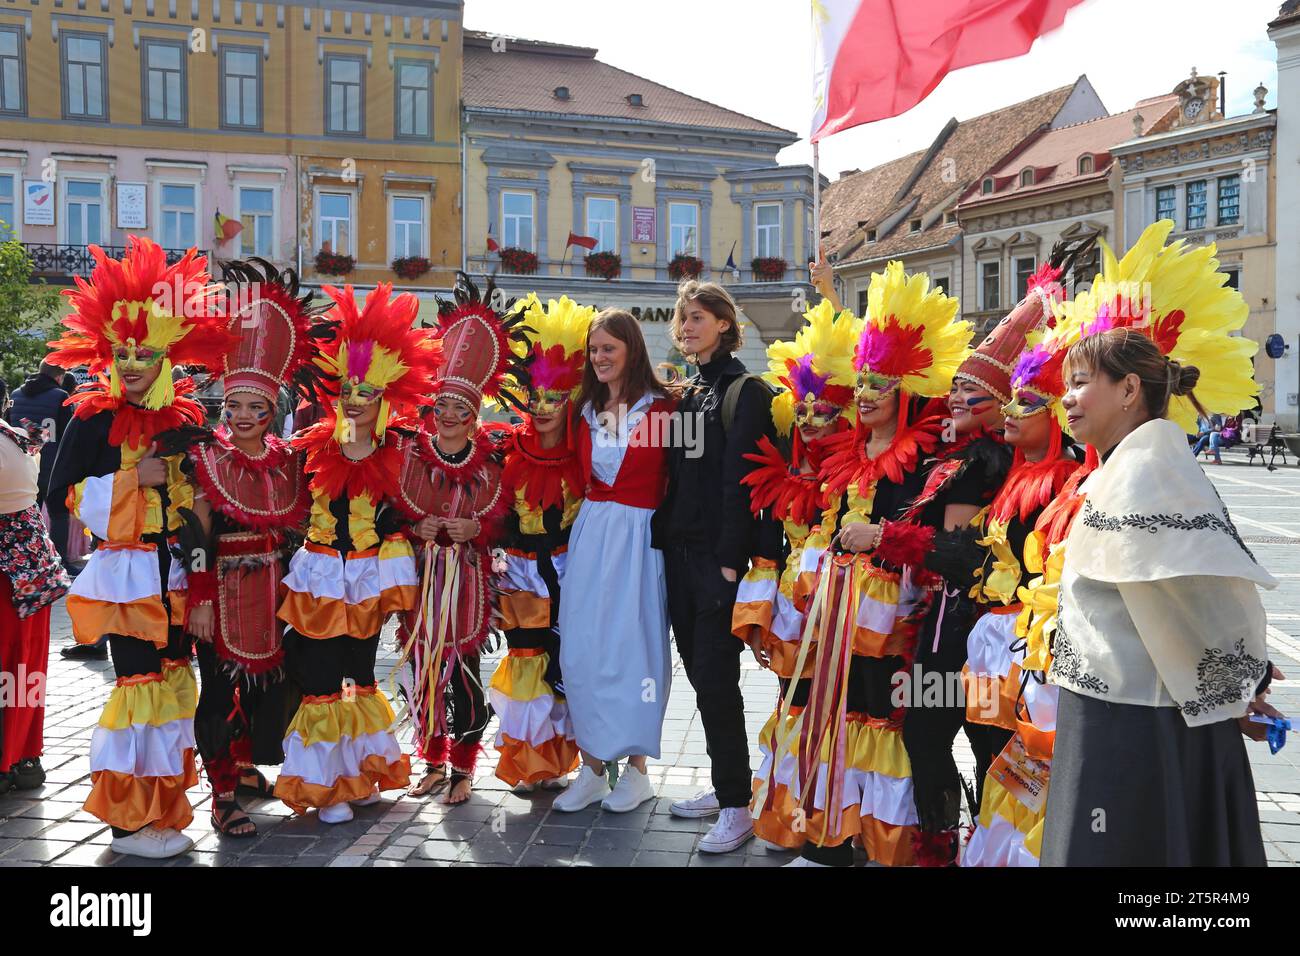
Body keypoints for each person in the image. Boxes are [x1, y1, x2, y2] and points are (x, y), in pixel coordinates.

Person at [1043, 219, 1280, 865]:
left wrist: (1239, 685)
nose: (1066, 400)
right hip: (1123, 703)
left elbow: (1195, 593)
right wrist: (1238, 683)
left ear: (1128, 389)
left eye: (1082, 382)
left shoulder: (1146, 470)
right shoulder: (1132, 463)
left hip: (1138, 719)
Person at [761, 261, 970, 867]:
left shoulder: (928, 455)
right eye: (863, 381)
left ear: (906, 392)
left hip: (892, 627)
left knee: (885, 724)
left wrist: (882, 537)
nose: (868, 392)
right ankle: (829, 837)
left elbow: (933, 539)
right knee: (822, 715)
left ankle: (892, 843)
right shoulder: (842, 451)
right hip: (833, 619)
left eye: (882, 383)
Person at [45, 237, 231, 859]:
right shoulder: (91, 419)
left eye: (143, 354)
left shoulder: (186, 419)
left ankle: (158, 811)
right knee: (138, 686)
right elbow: (61, 494)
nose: (129, 365)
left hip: (174, 574)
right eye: (120, 353)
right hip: (125, 574)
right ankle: (126, 824)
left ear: (167, 358)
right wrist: (130, 482)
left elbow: (201, 516)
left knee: (172, 691)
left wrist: (201, 585)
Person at [274, 283, 441, 824]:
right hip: (320, 578)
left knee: (354, 680)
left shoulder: (401, 451)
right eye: (347, 386)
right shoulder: (313, 444)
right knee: (322, 680)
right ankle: (324, 787)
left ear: (387, 395)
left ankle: (355, 773)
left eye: (366, 390)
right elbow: (284, 503)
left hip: (367, 581)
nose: (354, 397)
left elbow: (415, 511)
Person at [168, 259, 319, 837]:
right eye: (236, 408)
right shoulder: (207, 456)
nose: (247, 417)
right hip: (222, 590)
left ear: (273, 409)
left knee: (266, 687)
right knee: (218, 689)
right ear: (223, 407)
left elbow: (301, 525)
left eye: (258, 408)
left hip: (274, 589)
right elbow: (194, 533)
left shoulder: (287, 459)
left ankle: (249, 768)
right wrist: (201, 597)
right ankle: (221, 793)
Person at [732, 296, 858, 853]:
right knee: (792, 711)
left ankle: (831, 837)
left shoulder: (861, 478)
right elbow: (768, 552)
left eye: (823, 412)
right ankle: (788, 819)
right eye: (802, 410)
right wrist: (758, 621)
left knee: (836, 720)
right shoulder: (783, 476)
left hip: (844, 626)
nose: (809, 421)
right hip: (791, 626)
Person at [654, 280, 775, 853]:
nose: (686, 326)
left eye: (697, 317)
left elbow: (740, 483)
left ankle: (735, 805)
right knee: (702, 682)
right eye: (682, 318)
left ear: (725, 324)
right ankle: (728, 786)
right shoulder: (690, 390)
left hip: (714, 562)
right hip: (678, 556)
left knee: (717, 681)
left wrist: (731, 563)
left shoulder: (745, 391)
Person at [895, 300, 1017, 865]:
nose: (955, 398)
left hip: (970, 627)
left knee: (972, 739)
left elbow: (961, 556)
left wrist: (892, 540)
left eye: (971, 392)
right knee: (934, 733)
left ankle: (969, 843)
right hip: (951, 622)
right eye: (955, 387)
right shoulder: (966, 453)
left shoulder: (986, 460)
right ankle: (949, 840)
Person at [962, 319, 1086, 867]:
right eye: (1009, 401)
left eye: (1026, 402)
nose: (1009, 412)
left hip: (1029, 649)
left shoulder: (1066, 481)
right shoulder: (1014, 474)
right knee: (990, 750)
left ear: (1057, 416)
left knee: (1027, 756)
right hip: (990, 643)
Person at [394, 273, 517, 805]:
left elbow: (506, 518)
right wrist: (411, 528)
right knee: (422, 674)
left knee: (464, 675)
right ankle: (432, 760)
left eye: (460, 410)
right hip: (421, 583)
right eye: (440, 408)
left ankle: (464, 767)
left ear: (475, 415)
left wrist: (478, 530)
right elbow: (387, 510)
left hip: (468, 584)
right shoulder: (409, 455)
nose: (448, 417)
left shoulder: (492, 461)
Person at [553, 309, 675, 814]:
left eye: (609, 348)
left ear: (631, 350)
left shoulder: (665, 411)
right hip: (592, 534)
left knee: (634, 650)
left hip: (641, 539)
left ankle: (638, 771)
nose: (600, 358)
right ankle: (592, 768)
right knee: (582, 648)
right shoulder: (581, 409)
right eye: (594, 349)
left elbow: (685, 483)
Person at [489, 293, 594, 793]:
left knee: (565, 661)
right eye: (537, 397)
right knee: (526, 658)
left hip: (573, 570)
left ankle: (560, 761)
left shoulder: (587, 453)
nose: (545, 407)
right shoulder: (506, 451)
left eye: (556, 398)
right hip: (523, 573)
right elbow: (496, 512)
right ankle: (528, 763)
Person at [0, 417, 70, 793]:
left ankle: (8, 759)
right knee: (24, 669)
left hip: (8, 573)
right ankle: (25, 756)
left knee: (10, 665)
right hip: (32, 568)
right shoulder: (20, 437)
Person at [5, 361, 72, 570]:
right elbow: (67, 437)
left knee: (24, 517)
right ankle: (59, 563)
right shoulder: (61, 397)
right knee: (59, 515)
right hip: (51, 467)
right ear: (60, 376)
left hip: (20, 466)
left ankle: (26, 563)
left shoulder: (15, 395)